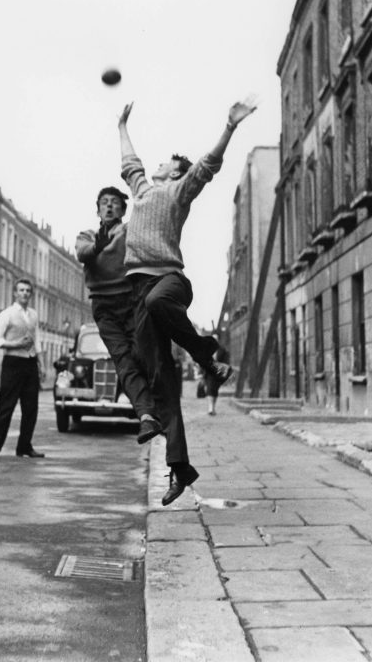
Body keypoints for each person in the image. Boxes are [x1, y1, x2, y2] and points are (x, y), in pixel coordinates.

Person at [118, 97, 256, 506]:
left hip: (170, 283)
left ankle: (204, 355)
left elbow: (206, 167)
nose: (157, 166)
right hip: (139, 291)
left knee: (161, 301)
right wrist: (121, 126)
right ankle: (179, 470)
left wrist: (229, 127)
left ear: (175, 173)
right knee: (160, 384)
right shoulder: (141, 191)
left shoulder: (178, 191)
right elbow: (130, 163)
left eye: (165, 163)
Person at [75, 186, 162, 444]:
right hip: (103, 305)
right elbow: (83, 253)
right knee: (123, 360)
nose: (109, 206)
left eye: (114, 202)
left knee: (140, 353)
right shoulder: (87, 235)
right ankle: (146, 415)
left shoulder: (128, 231)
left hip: (130, 299)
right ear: (98, 209)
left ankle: (151, 408)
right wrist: (97, 248)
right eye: (104, 202)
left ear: (123, 210)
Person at [0, 278, 45, 459]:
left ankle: (24, 446)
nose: (25, 293)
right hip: (12, 363)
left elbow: (38, 340)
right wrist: (14, 343)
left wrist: (40, 364)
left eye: (28, 290)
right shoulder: (7, 314)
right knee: (5, 406)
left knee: (31, 408)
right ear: (15, 293)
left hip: (30, 364)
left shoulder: (33, 315)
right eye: (21, 290)